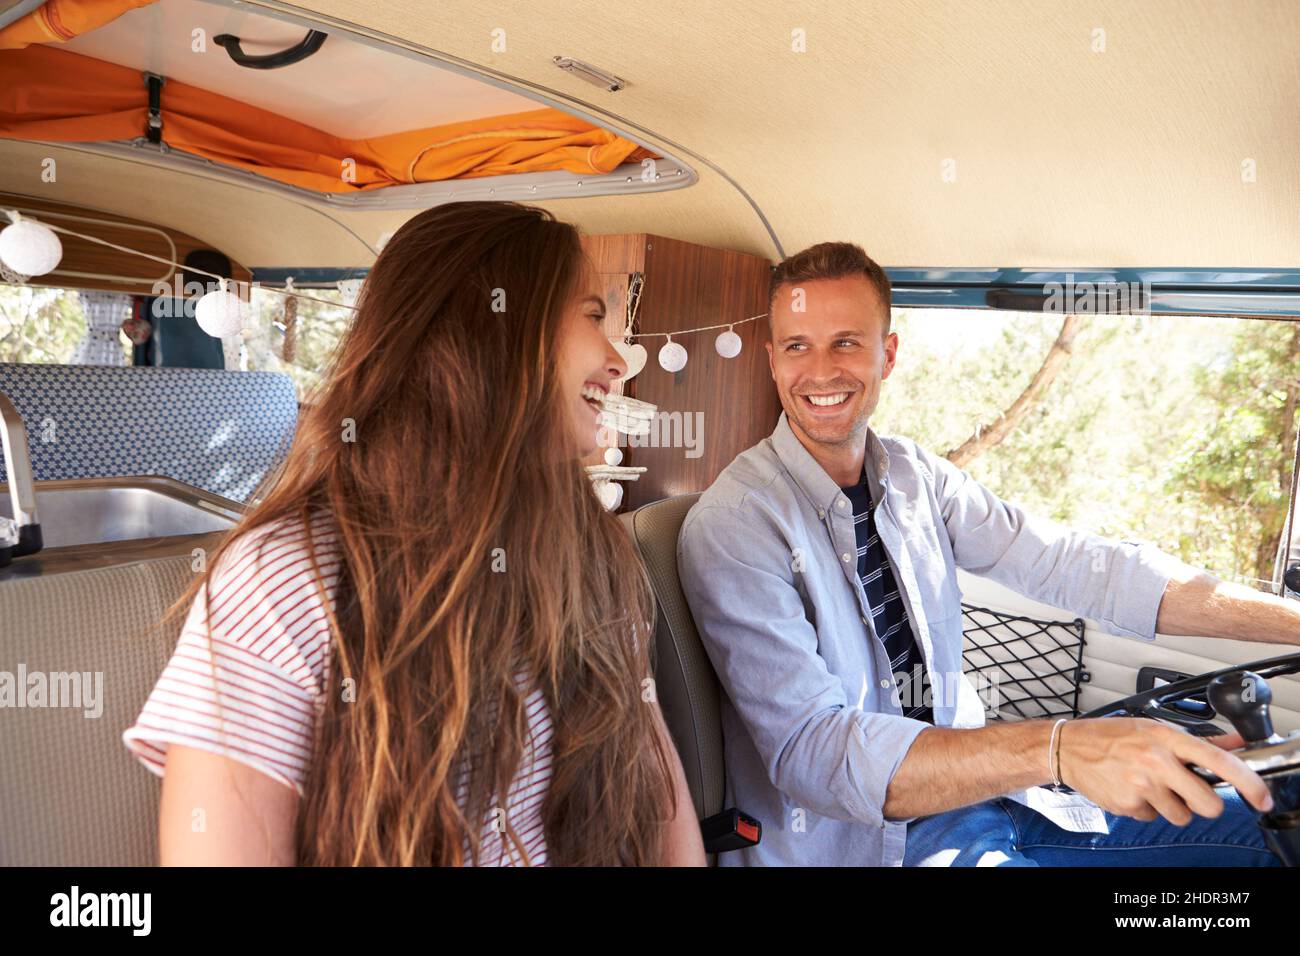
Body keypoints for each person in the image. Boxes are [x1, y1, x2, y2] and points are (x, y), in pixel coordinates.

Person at [677, 240, 1300, 866]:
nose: (820, 371)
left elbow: (1076, 566)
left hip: (993, 798)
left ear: (886, 354)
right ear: (772, 359)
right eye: (797, 346)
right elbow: (817, 754)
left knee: (1272, 813)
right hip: (873, 845)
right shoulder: (736, 525)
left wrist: (1291, 620)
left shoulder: (918, 477)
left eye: (845, 342)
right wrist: (1060, 749)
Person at [123, 201, 706, 867]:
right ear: (494, 328)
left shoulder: (596, 557)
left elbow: (657, 793)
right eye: (593, 316)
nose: (617, 360)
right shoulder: (286, 576)